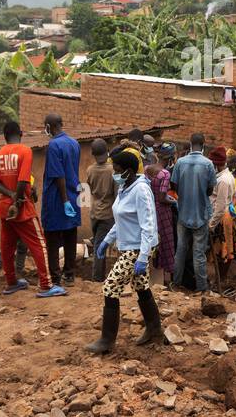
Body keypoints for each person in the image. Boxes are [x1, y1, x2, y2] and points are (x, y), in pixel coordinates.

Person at [88, 148, 165, 352]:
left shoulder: (140, 190)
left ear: (129, 171)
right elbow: (121, 219)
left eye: (117, 169)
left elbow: (149, 225)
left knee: (110, 288)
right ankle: (154, 329)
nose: (114, 173)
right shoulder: (125, 188)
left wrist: (143, 257)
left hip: (136, 250)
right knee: (141, 287)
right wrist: (107, 240)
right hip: (128, 247)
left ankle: (107, 340)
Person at [0, 121, 58, 298]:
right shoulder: (25, 151)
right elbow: (23, 180)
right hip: (22, 207)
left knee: (6, 246)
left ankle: (11, 282)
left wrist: (10, 196)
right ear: (20, 133)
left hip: (4, 208)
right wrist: (17, 202)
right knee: (38, 244)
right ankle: (46, 285)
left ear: (4, 136)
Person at [171, 132, 216, 293]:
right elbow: (210, 190)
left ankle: (175, 284)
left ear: (190, 144)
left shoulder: (180, 163)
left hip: (183, 213)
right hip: (201, 215)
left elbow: (174, 186)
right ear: (203, 145)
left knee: (181, 251)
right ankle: (202, 288)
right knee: (199, 253)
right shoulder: (208, 164)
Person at [40, 113, 82, 286]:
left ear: (49, 126)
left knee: (52, 237)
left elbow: (58, 175)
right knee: (70, 234)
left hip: (57, 198)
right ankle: (70, 274)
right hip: (74, 194)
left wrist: (64, 200)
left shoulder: (54, 145)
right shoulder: (75, 143)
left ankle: (55, 276)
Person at [85, 138, 116, 283]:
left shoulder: (90, 170)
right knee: (100, 246)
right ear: (107, 151)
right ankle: (97, 278)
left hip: (95, 213)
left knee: (99, 243)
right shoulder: (112, 170)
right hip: (107, 214)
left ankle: (100, 275)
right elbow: (116, 195)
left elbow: (91, 189)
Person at [144, 151, 176, 281]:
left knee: (150, 239)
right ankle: (164, 276)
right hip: (162, 212)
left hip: (148, 208)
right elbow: (162, 197)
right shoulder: (165, 173)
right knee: (165, 241)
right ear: (169, 159)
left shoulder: (147, 169)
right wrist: (173, 201)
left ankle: (149, 272)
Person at [208, 146, 236, 286]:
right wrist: (230, 206)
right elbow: (235, 196)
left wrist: (211, 225)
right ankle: (220, 279)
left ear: (216, 164)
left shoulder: (223, 180)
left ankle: (220, 280)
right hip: (227, 216)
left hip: (221, 219)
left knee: (222, 252)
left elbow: (219, 207)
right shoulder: (229, 176)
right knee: (226, 249)